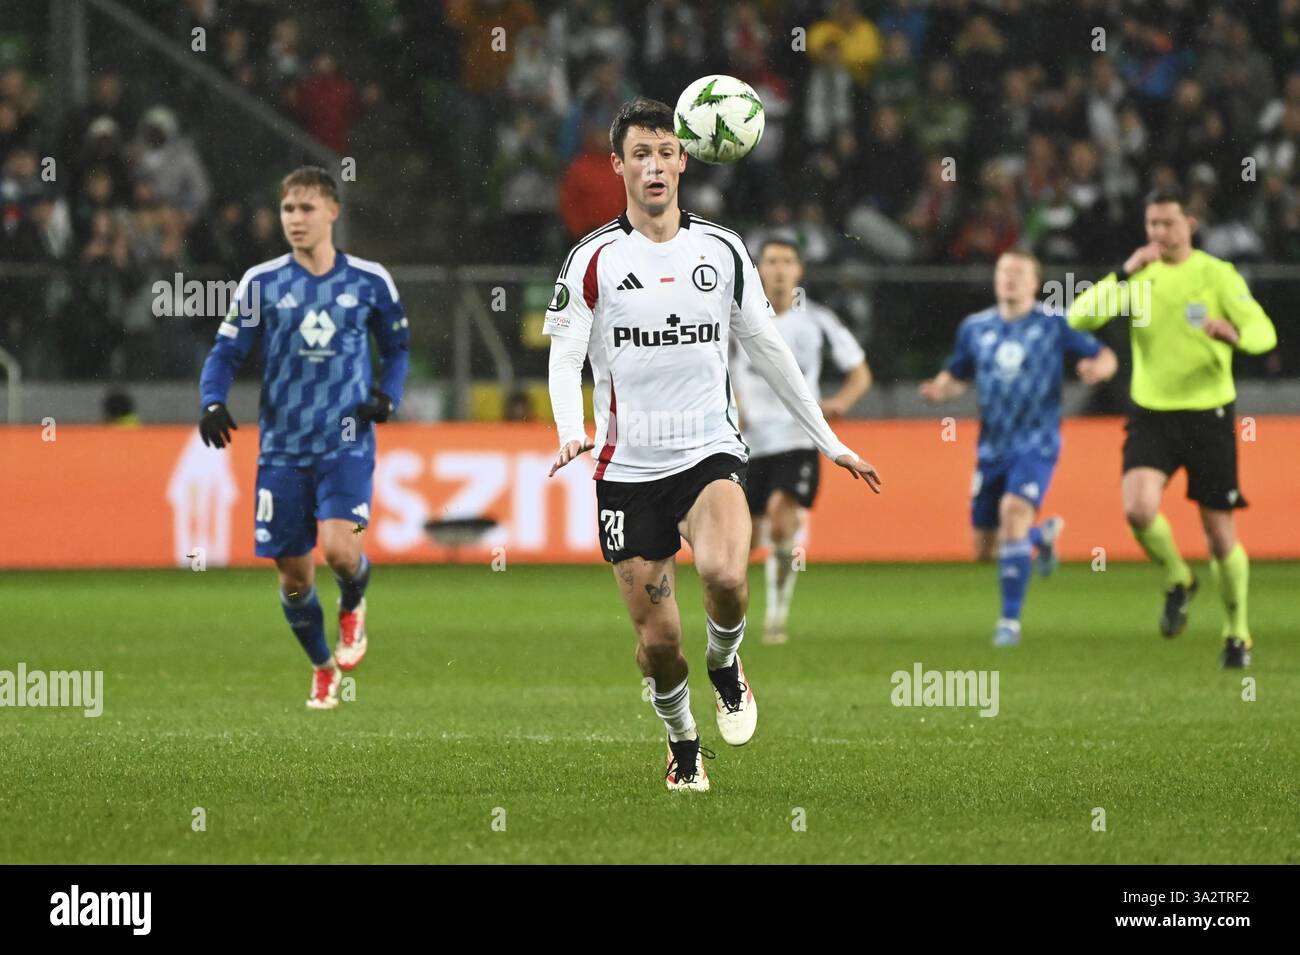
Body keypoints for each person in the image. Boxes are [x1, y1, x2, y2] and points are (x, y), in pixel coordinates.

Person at [545, 97, 881, 791]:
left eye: (666, 152)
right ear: (619, 166)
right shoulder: (592, 259)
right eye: (640, 154)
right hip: (626, 469)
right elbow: (565, 352)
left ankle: (726, 664)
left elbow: (768, 349)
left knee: (726, 576)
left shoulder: (722, 250)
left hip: (708, 452)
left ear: (684, 161)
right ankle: (682, 742)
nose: (654, 165)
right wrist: (570, 428)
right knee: (658, 644)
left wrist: (828, 439)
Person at [197, 166, 409, 707]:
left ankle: (353, 602)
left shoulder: (369, 281)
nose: (295, 219)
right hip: (283, 450)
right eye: (288, 209)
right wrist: (213, 400)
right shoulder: (261, 283)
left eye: (307, 208)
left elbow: (397, 348)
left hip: (347, 443)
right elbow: (226, 353)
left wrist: (387, 396)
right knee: (294, 578)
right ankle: (321, 666)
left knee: (341, 550)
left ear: (332, 211)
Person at [1068, 187, 1277, 668]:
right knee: (1138, 509)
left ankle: (1237, 632)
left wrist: (1236, 335)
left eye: (1168, 223)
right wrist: (1123, 271)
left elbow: (1264, 331)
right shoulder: (1139, 277)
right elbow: (1079, 318)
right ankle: (1179, 578)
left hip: (1208, 415)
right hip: (1153, 414)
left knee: (1219, 535)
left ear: (1190, 225)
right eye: (1152, 224)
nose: (1159, 232)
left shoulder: (1216, 274)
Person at [921, 248, 1117, 647]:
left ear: (1034, 282)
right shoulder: (975, 328)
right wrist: (941, 389)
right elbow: (958, 374)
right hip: (991, 448)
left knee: (1013, 511)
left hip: (1037, 442)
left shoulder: (1055, 323)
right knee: (983, 549)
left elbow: (1105, 355)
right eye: (1003, 272)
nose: (1009, 279)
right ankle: (1039, 537)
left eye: (1018, 273)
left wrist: (1099, 369)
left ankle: (1009, 622)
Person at [730, 236, 872, 644]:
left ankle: (776, 615)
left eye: (787, 261)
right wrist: (732, 404)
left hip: (797, 438)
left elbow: (860, 372)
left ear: (799, 270)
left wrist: (840, 402)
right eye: (771, 261)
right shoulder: (736, 319)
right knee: (743, 540)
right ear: (759, 269)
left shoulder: (817, 321)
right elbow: (716, 367)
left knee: (780, 519)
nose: (779, 269)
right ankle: (733, 620)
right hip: (747, 442)